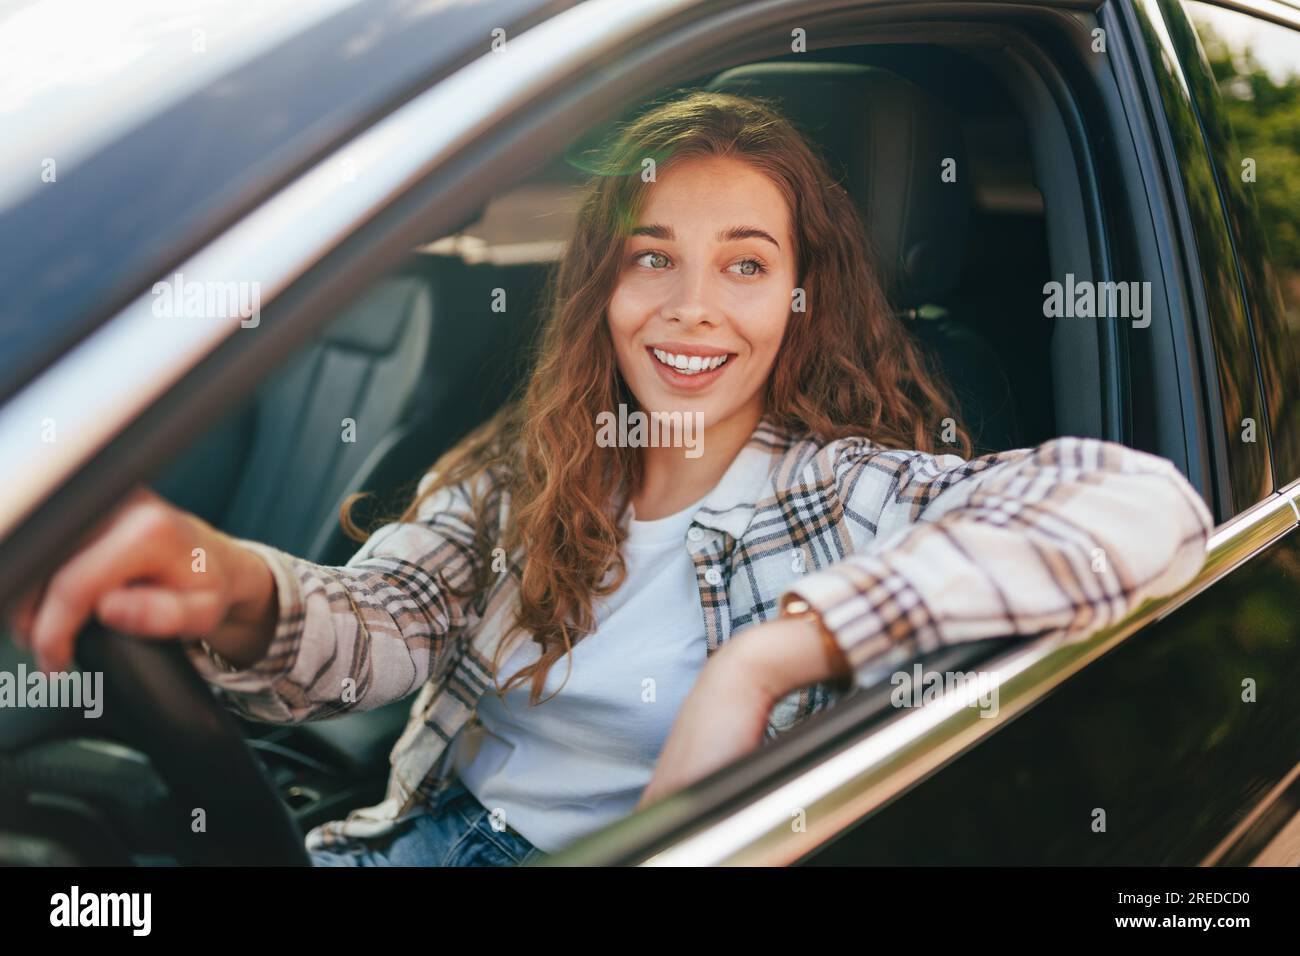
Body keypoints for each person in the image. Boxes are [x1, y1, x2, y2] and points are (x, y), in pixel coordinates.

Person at [5, 91, 1214, 866]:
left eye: (746, 265)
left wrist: (772, 654)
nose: (692, 308)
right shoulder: (526, 464)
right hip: (419, 836)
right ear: (606, 286)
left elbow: (1146, 502)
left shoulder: (839, 489)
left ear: (801, 300)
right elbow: (373, 628)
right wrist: (223, 581)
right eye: (654, 259)